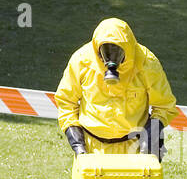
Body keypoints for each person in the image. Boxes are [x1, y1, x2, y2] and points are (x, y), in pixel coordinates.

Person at [55, 18, 177, 160]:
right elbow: (65, 102)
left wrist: (150, 137)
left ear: (128, 48)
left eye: (117, 51)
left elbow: (164, 105)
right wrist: (78, 145)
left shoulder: (146, 63)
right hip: (91, 150)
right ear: (97, 49)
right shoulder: (81, 61)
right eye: (105, 51)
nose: (110, 57)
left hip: (134, 149)